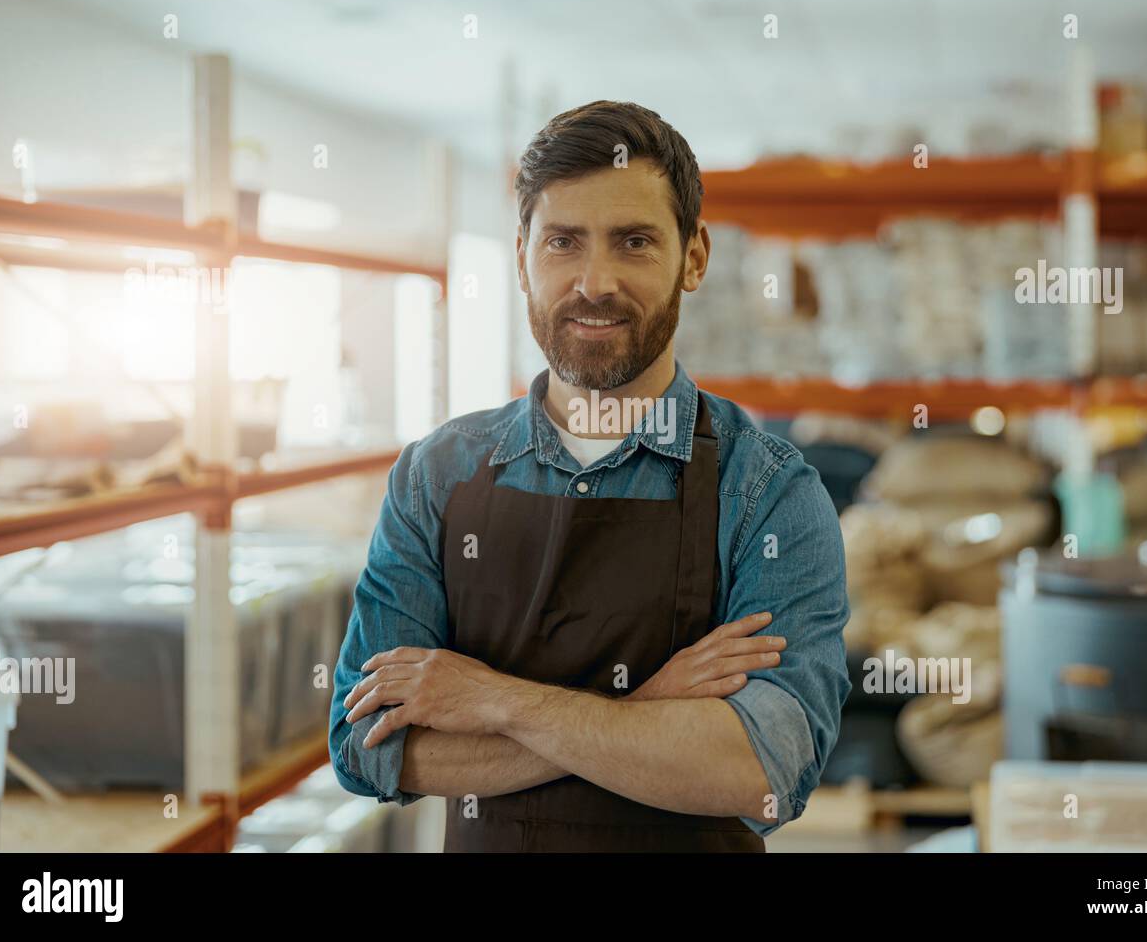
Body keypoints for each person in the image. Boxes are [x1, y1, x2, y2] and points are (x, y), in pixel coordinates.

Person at [329, 100, 850, 852]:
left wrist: (489, 699)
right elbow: (366, 747)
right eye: (563, 243)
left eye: (634, 242)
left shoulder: (766, 491)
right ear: (521, 259)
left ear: (694, 257)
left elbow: (763, 768)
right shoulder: (436, 478)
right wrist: (648, 708)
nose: (594, 282)